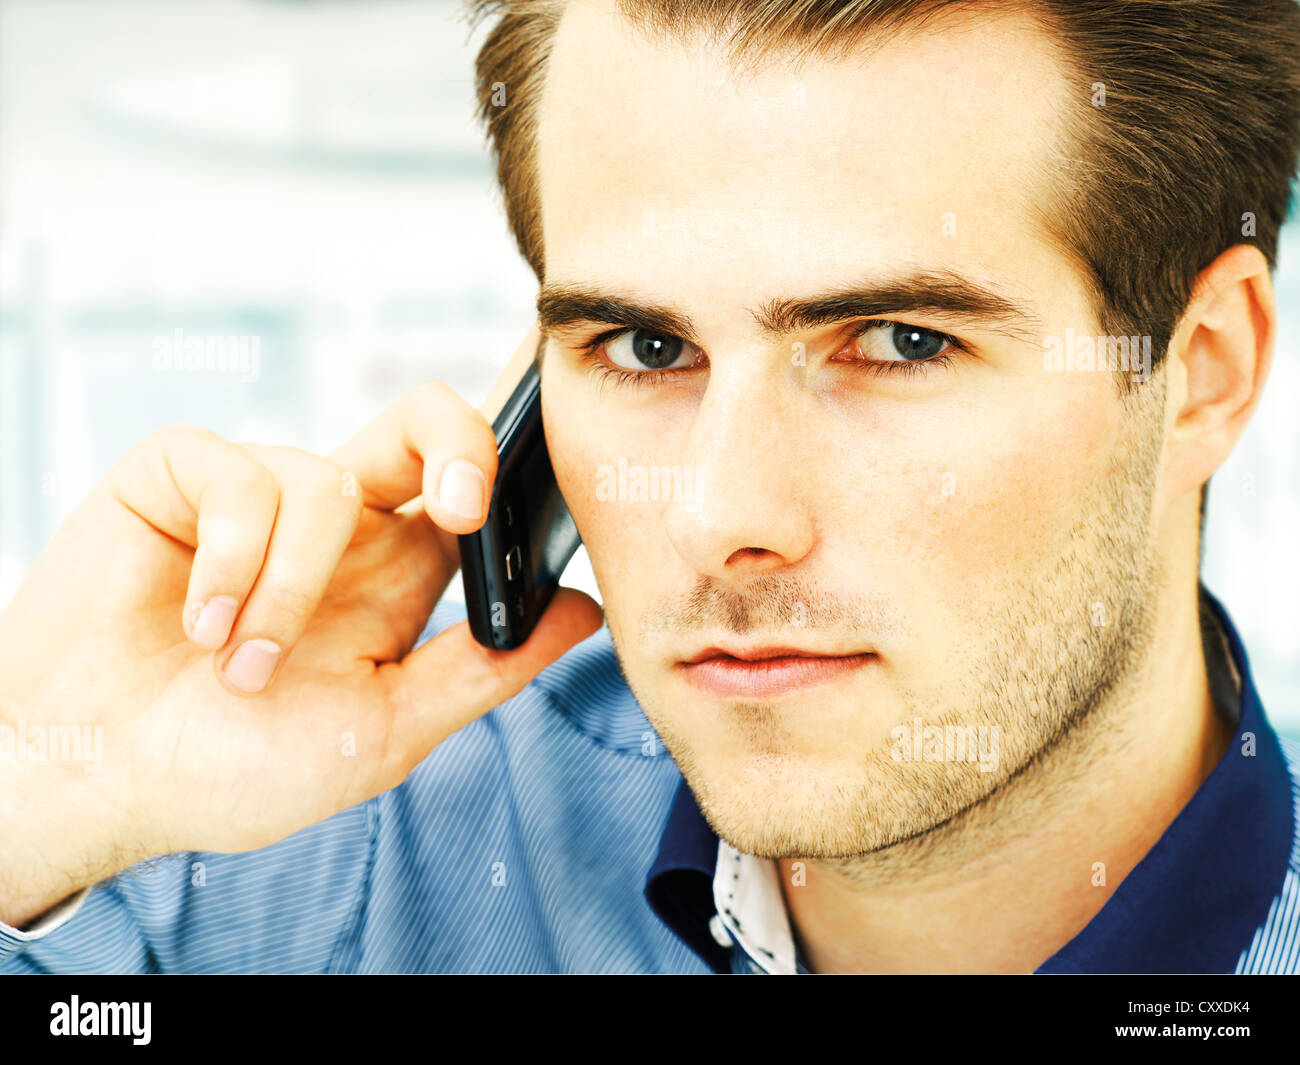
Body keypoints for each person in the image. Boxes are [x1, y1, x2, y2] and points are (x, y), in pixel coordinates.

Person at [2, 0, 1298, 975]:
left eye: (901, 342)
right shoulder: (342, 851)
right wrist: (41, 797)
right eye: (645, 347)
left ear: (1205, 371)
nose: (719, 518)